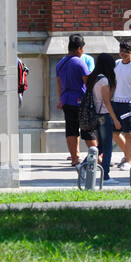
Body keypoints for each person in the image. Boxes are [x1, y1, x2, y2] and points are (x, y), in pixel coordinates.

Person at [55, 33, 89, 166]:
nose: (83, 51)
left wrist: (60, 99)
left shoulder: (60, 63)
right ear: (79, 48)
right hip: (80, 100)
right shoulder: (79, 62)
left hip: (66, 100)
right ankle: (98, 157)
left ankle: (75, 158)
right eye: (82, 48)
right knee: (87, 129)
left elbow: (59, 84)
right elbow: (87, 81)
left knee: (71, 129)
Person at [111, 39, 131, 168]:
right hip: (116, 102)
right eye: (121, 51)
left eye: (126, 52)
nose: (123, 54)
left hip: (129, 103)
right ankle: (129, 155)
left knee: (129, 133)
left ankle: (129, 161)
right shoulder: (117, 63)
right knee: (115, 132)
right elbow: (113, 83)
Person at [87, 52, 118, 181]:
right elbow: (107, 101)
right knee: (107, 147)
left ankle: (84, 166)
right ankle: (105, 175)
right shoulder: (104, 80)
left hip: (97, 115)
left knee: (99, 146)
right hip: (104, 116)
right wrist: (115, 119)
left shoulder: (94, 78)